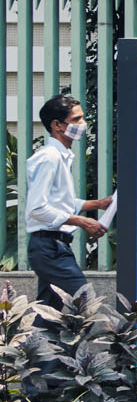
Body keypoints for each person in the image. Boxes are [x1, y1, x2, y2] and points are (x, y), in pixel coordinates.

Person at [22, 92, 111, 314]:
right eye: (76, 120)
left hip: (53, 246)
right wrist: (82, 221)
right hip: (49, 248)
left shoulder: (60, 157)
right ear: (57, 125)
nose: (83, 124)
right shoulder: (50, 158)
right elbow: (37, 209)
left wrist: (98, 204)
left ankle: (36, 348)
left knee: (49, 315)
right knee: (85, 303)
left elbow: (60, 203)